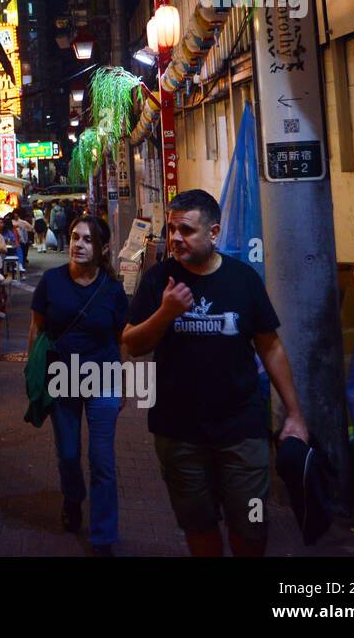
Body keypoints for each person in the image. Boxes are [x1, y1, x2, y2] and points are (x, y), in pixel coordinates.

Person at [123, 189, 309, 557]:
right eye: (173, 229)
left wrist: (295, 415)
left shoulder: (243, 280)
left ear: (214, 232)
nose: (176, 238)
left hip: (241, 428)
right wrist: (166, 313)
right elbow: (132, 343)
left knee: (251, 526)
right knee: (198, 523)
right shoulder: (158, 279)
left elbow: (269, 346)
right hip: (178, 432)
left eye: (187, 230)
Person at [29, 215, 128, 556]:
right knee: (68, 455)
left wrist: (124, 382)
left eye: (87, 240)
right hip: (61, 378)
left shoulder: (113, 289)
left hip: (103, 378)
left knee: (102, 460)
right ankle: (73, 498)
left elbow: (121, 339)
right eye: (75, 237)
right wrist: (34, 372)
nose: (78, 244)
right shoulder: (52, 281)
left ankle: (103, 536)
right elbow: (38, 329)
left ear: (101, 249)